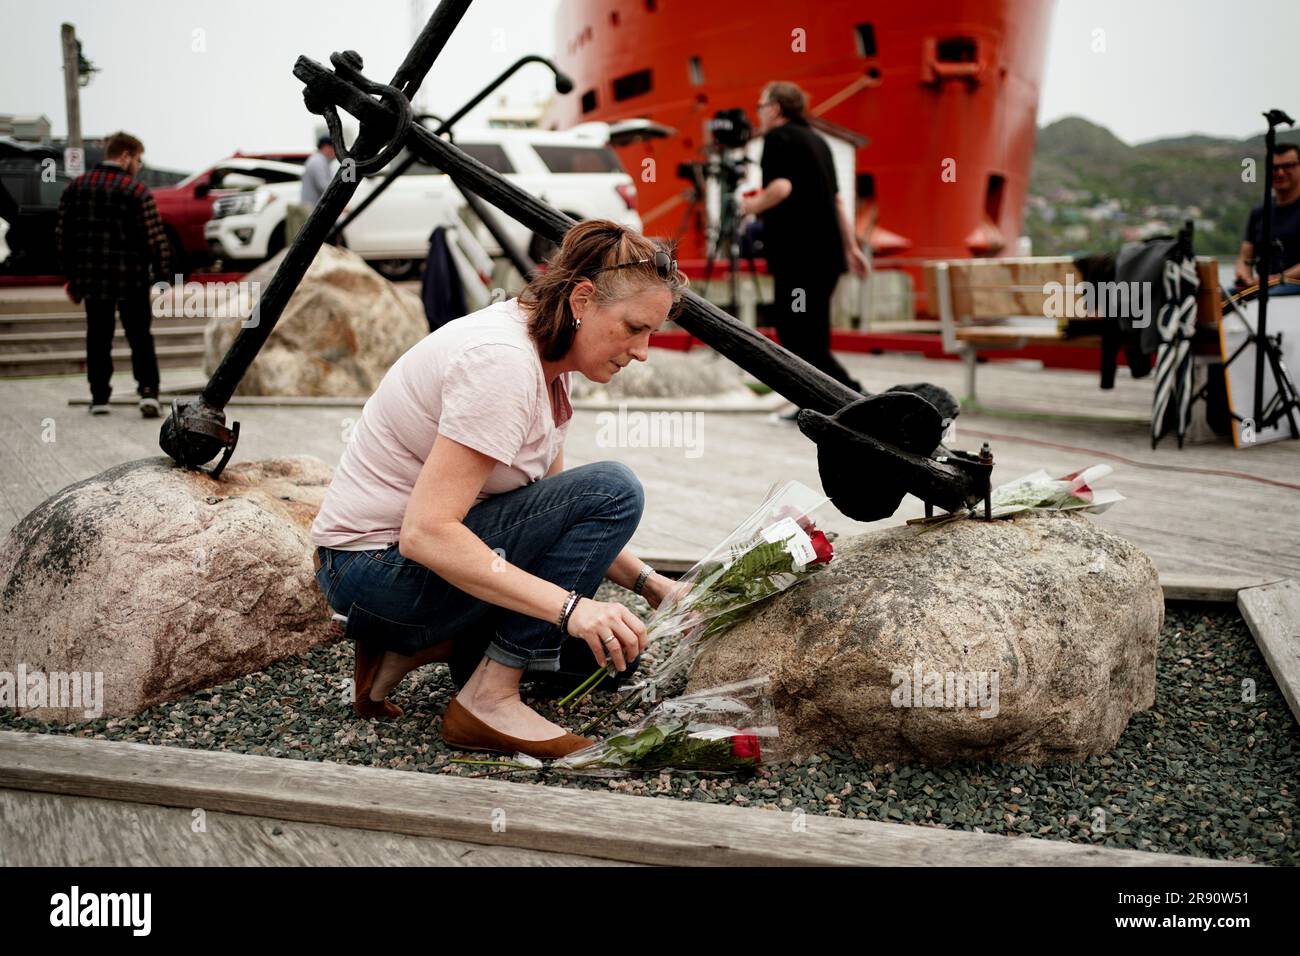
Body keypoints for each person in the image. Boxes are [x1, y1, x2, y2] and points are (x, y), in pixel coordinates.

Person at [310, 219, 690, 760]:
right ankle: (488, 697)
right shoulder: (502, 365)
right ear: (583, 299)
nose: (643, 350)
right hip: (376, 572)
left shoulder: (546, 360)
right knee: (615, 490)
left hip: (404, 577)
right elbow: (426, 533)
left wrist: (653, 586)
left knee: (606, 661)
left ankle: (413, 650)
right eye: (634, 327)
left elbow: (558, 507)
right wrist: (571, 610)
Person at [740, 81, 870, 402]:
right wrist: (851, 248)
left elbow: (782, 187)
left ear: (775, 108)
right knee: (812, 336)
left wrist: (751, 206)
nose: (758, 114)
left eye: (760, 106)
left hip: (799, 257)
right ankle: (836, 400)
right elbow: (838, 201)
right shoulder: (818, 141)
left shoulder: (778, 138)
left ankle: (850, 398)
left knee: (796, 336)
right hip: (828, 257)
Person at [55, 131, 170, 417]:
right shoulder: (136, 191)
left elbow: (64, 237)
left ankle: (99, 397)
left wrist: (71, 278)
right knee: (140, 336)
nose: (139, 166)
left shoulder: (77, 188)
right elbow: (155, 239)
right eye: (138, 159)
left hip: (93, 280)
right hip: (132, 279)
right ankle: (147, 392)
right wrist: (163, 275)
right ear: (125, 156)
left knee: (97, 336)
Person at [1234, 141, 1300, 295]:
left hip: (1293, 286)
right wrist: (1243, 276)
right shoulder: (1259, 212)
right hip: (1264, 286)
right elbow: (1245, 256)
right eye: (1274, 168)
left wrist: (1277, 279)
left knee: (1269, 296)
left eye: (1288, 166)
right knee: (1215, 300)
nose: (1280, 173)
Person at [300, 135, 337, 208]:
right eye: (335, 148)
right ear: (326, 147)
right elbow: (324, 186)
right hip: (312, 208)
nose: (337, 152)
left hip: (312, 207)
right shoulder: (318, 162)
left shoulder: (318, 160)